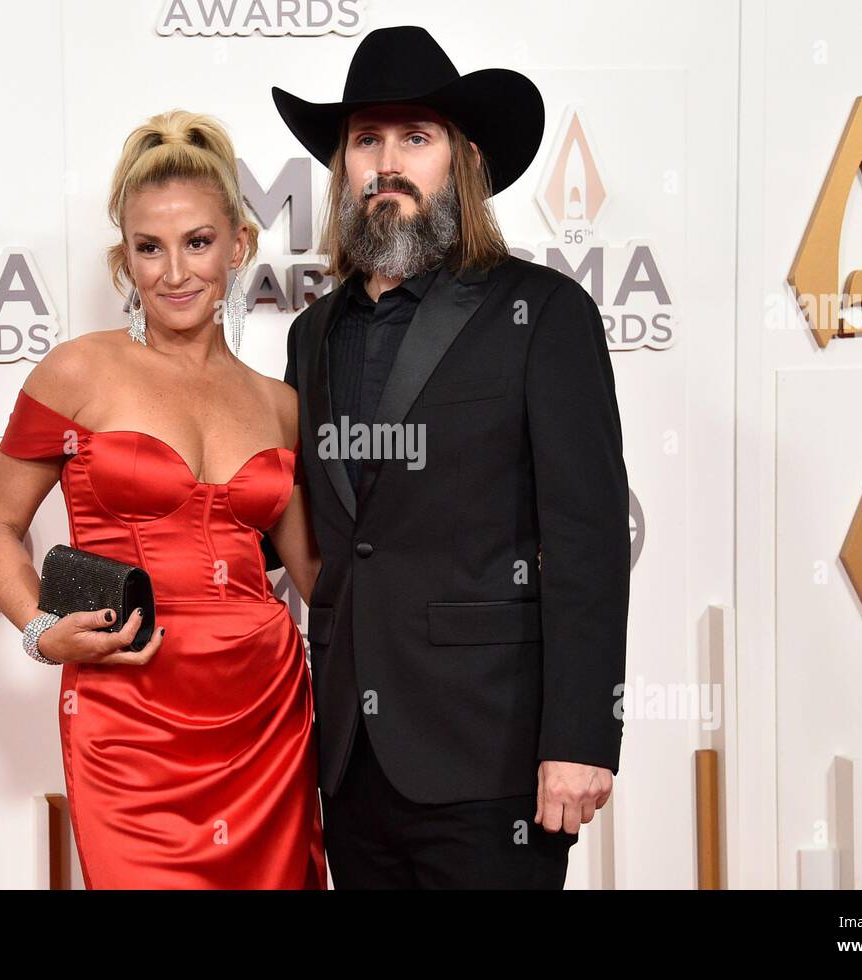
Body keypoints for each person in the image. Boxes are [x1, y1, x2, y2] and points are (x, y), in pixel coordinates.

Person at [268, 25, 631, 888]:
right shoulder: (311, 335)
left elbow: (587, 541)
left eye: (414, 138)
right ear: (342, 169)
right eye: (366, 141)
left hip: (492, 763)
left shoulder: (542, 313)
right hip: (350, 765)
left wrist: (578, 741)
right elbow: (308, 527)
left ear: (461, 162)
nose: (386, 163)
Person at [0, 110, 326, 889]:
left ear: (239, 244)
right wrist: (39, 631)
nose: (174, 272)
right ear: (123, 260)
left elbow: (318, 577)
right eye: (148, 248)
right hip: (127, 712)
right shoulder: (77, 374)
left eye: (198, 243)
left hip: (265, 710)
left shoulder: (280, 404)